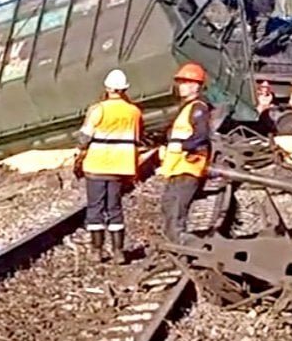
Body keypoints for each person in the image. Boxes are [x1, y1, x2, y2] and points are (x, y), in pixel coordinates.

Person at [77, 69, 144, 264]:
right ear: (124, 89)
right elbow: (138, 137)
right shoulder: (134, 111)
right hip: (120, 167)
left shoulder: (98, 109)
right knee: (114, 207)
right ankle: (118, 252)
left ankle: (97, 251)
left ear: (107, 88)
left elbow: (83, 140)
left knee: (95, 207)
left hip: (96, 166)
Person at [157, 62, 213, 243]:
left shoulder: (198, 108)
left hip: (188, 166)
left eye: (185, 83)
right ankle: (173, 244)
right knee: (168, 206)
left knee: (176, 211)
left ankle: (182, 248)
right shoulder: (187, 108)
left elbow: (201, 135)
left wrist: (184, 147)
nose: (181, 87)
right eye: (180, 83)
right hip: (177, 167)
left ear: (195, 86)